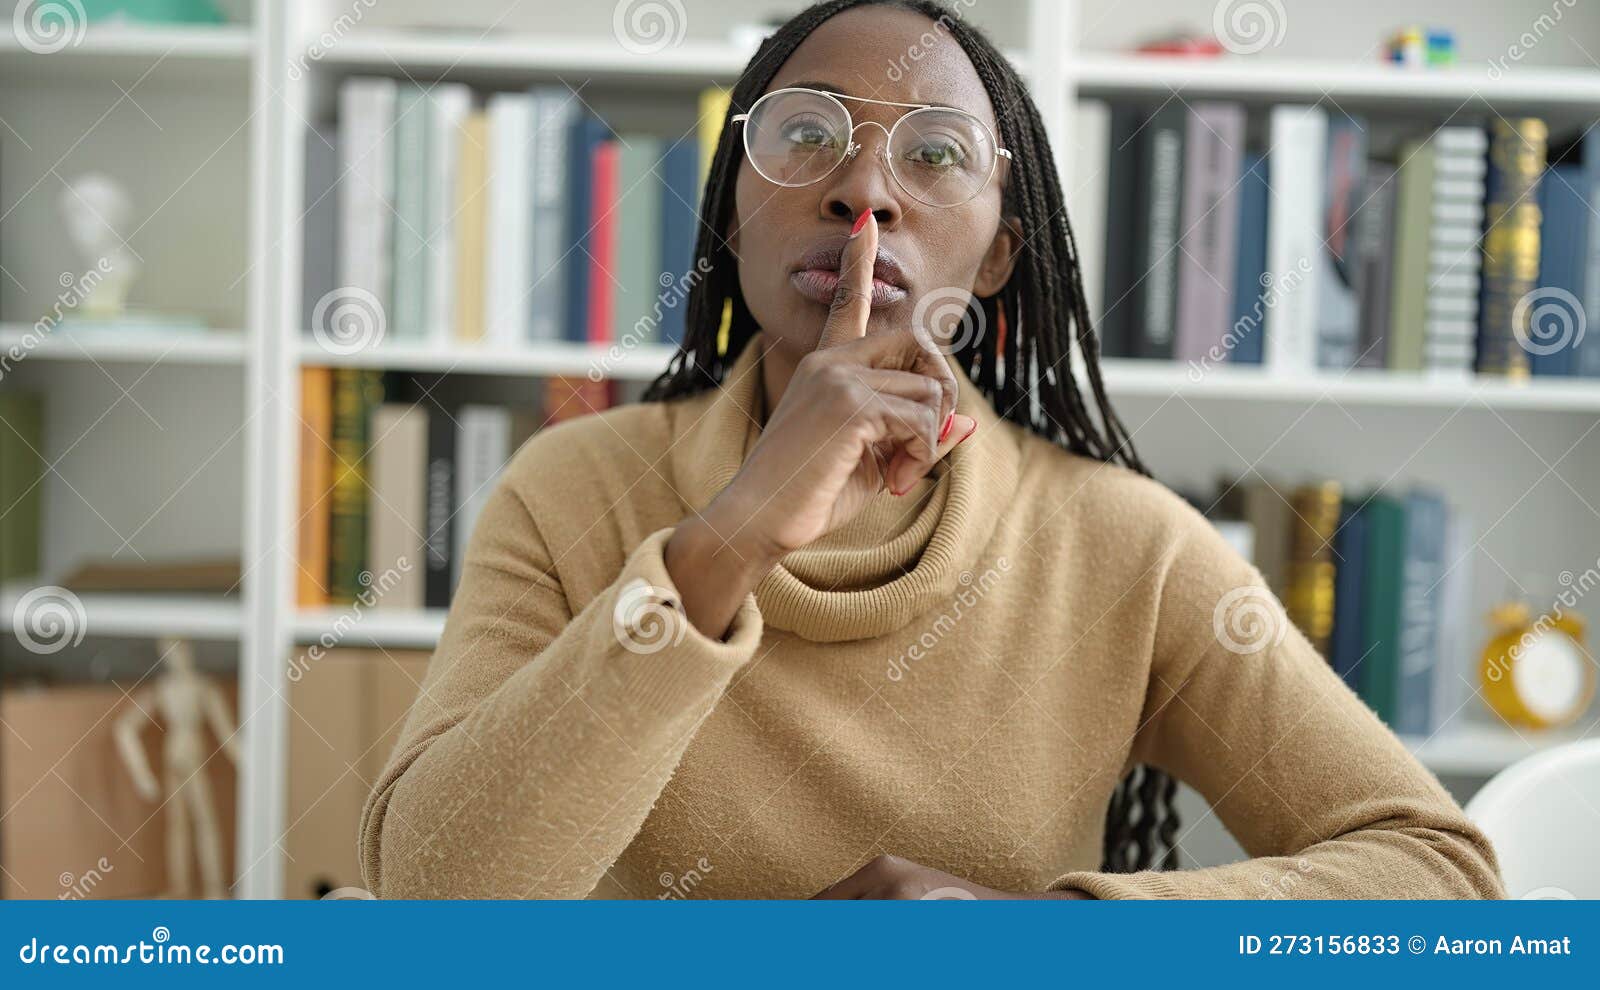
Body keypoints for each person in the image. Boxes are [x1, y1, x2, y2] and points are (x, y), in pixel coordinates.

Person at [359, 0, 1502, 899]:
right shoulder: (571, 489)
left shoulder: (1124, 546)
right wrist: (731, 536)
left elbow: (1438, 877)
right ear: (732, 211)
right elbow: (434, 899)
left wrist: (1042, 930)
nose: (862, 190)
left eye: (937, 155)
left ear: (997, 255)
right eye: (807, 136)